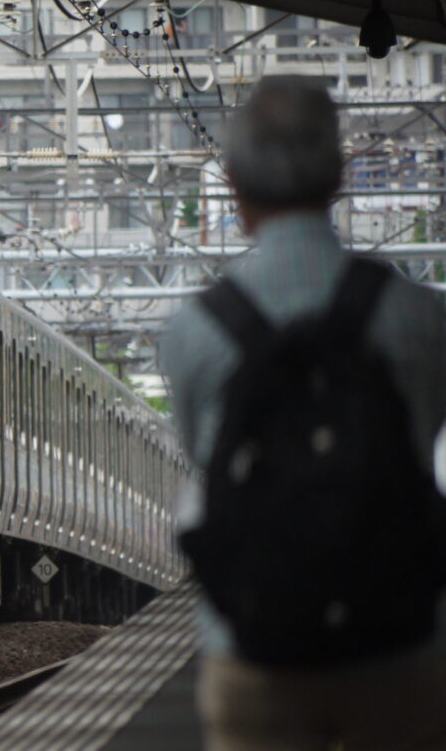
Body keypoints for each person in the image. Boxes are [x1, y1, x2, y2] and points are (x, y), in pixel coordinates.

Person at [161, 76, 446, 750]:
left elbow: (209, 464)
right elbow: (421, 444)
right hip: (399, 641)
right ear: (339, 175)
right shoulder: (418, 315)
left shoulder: (196, 330)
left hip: (254, 646)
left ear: (234, 185)